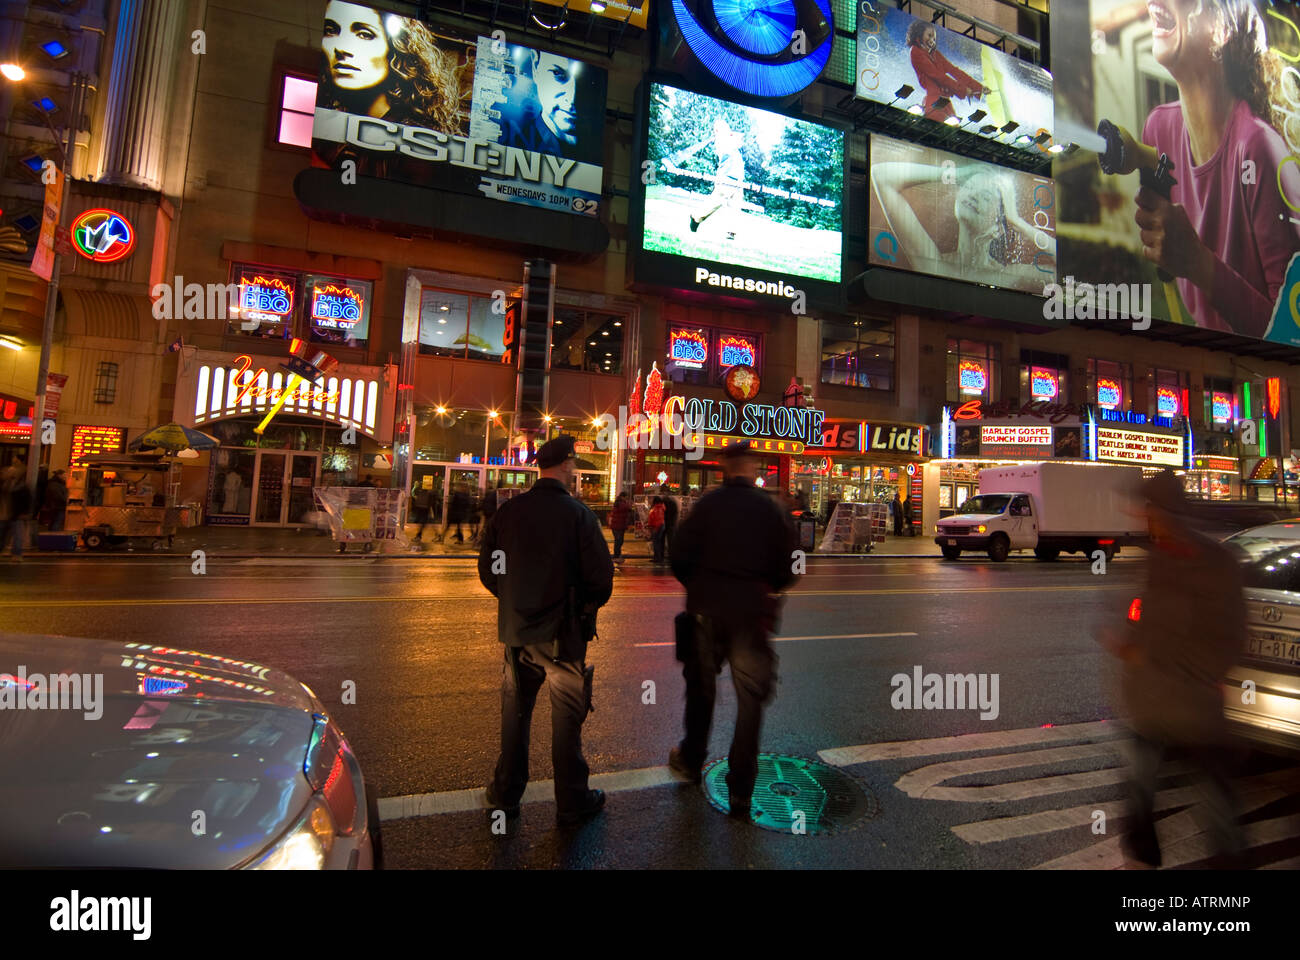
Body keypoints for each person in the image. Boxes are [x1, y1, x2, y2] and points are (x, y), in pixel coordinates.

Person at [1105, 0, 1300, 338]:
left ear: (1221, 31)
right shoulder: (1158, 128)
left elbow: (1290, 331)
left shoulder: (1258, 148)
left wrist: (1197, 262)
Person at [1102, 470, 1245, 868]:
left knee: (1217, 808)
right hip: (1152, 708)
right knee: (1139, 800)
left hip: (1195, 709)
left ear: (1168, 513)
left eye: (1150, 511)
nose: (1144, 519)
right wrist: (1129, 647)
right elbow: (1144, 624)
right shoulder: (1155, 562)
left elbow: (1229, 637)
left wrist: (1162, 662)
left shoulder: (1215, 564)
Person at [478, 436, 614, 826]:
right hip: (563, 637)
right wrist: (578, 610)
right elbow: (600, 580)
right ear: (568, 466)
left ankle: (505, 795)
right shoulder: (579, 516)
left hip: (518, 633)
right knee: (566, 722)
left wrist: (514, 599)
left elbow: (490, 569)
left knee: (515, 717)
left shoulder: (510, 513)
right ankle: (572, 800)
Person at [667, 441, 797, 822]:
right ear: (752, 468)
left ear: (725, 466)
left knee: (701, 691)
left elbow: (679, 555)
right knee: (749, 701)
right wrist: (766, 586)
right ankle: (741, 790)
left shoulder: (707, 506)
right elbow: (789, 567)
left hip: (705, 612)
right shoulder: (770, 510)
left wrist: (698, 587)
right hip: (750, 616)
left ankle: (692, 761)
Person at [870, 155, 1057, 291]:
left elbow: (1069, 275)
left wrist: (1016, 221)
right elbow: (881, 175)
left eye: (986, 196)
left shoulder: (1012, 276)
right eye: (968, 187)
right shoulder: (934, 264)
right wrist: (955, 173)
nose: (973, 195)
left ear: (998, 227)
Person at [905, 21, 988, 122]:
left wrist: (979, 88)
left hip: (945, 102)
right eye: (929, 35)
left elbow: (954, 71)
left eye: (934, 37)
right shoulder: (915, 52)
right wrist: (962, 90)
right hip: (934, 102)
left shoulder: (935, 54)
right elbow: (937, 76)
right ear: (919, 34)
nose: (932, 40)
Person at [0, 462, 31, 560]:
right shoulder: (4, 484)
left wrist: (25, 512)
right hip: (4, 514)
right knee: (2, 536)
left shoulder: (21, 486)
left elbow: (27, 499)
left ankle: (16, 554)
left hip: (15, 514)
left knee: (17, 536)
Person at [609, 492, 632, 561]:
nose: (626, 498)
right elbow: (628, 508)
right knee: (619, 540)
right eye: (625, 497)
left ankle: (617, 554)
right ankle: (617, 555)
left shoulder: (617, 502)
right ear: (623, 497)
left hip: (616, 524)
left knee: (618, 540)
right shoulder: (622, 503)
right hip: (620, 524)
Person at [647, 496, 667, 564]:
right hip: (662, 526)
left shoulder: (655, 509)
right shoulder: (662, 507)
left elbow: (652, 519)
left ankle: (657, 558)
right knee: (659, 542)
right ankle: (659, 557)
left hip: (656, 527)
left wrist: (650, 527)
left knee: (656, 543)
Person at [661, 489, 679, 560]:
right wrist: (674, 522)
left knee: (662, 540)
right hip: (670, 524)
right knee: (670, 540)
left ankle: (661, 555)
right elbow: (675, 513)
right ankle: (670, 555)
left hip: (663, 523)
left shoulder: (662, 503)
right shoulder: (673, 503)